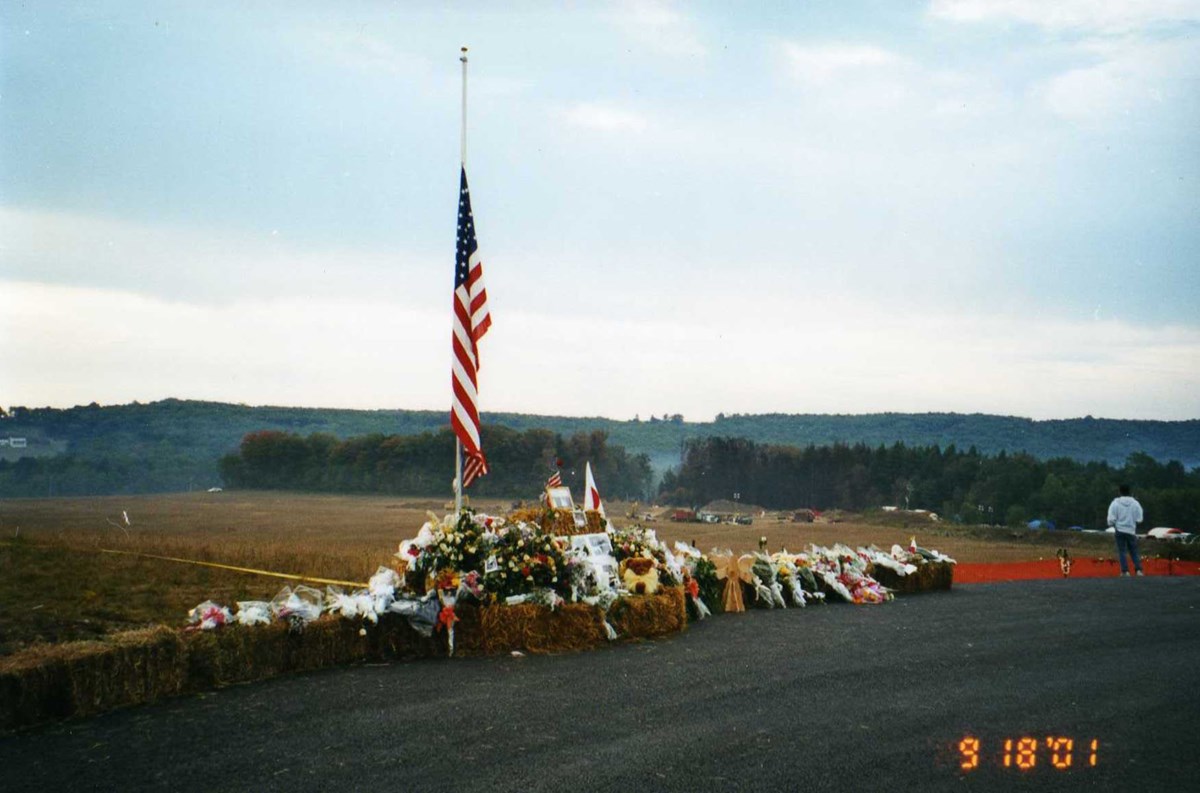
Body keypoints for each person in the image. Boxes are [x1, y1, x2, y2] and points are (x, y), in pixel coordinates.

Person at [1107, 484, 1144, 576]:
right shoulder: (1135, 503)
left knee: (1122, 551)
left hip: (1119, 530)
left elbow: (1111, 519)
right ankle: (1138, 570)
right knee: (1134, 551)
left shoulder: (1115, 503)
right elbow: (1139, 518)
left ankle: (1125, 571)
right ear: (1129, 492)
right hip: (1131, 531)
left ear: (1119, 492)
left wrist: (1113, 524)